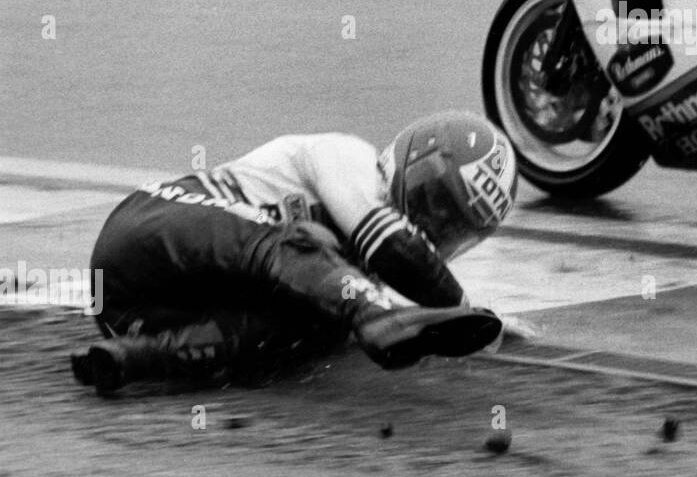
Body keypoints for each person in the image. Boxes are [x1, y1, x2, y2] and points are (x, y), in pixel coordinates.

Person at [71, 111, 518, 394]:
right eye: (436, 202)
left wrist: (481, 325)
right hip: (145, 232)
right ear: (412, 162)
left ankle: (133, 359)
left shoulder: (359, 269)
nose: (435, 228)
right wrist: (466, 310)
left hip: (129, 316)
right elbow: (390, 245)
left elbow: (399, 260)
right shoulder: (350, 159)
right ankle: (371, 316)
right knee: (300, 245)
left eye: (456, 228)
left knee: (314, 328)